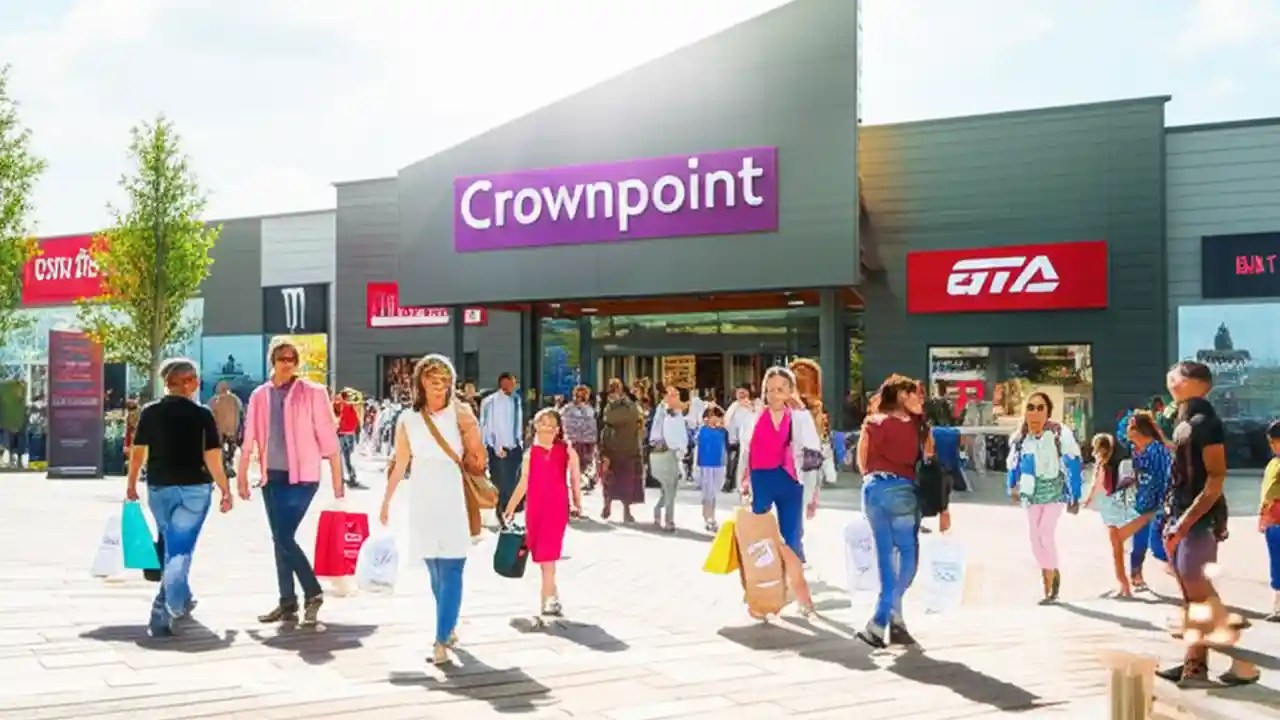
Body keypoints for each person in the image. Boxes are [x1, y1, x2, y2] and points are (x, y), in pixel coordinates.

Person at [379, 354, 486, 665]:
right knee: (435, 570)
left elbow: (478, 458)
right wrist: (386, 500)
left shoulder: (461, 413)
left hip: (453, 494)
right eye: (432, 380)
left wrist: (473, 442)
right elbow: (401, 462)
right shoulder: (408, 419)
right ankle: (448, 625)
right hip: (423, 496)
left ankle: (441, 639)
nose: (439, 386)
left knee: (452, 566)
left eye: (444, 380)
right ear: (420, 383)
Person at [1156, 361, 1257, 687]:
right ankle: (1194, 663)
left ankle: (1238, 665)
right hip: (1182, 514)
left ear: (1195, 383)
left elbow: (1215, 478)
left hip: (1199, 519)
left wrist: (1184, 523)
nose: (1170, 379)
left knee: (1197, 591)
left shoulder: (1206, 423)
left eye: (1176, 375)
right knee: (1192, 594)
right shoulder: (1184, 421)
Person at [236, 338, 344, 628]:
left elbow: (328, 437)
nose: (288, 363)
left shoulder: (313, 393)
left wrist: (338, 482)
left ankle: (313, 591)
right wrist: (242, 475)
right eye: (282, 358)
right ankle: (287, 603)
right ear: (272, 361)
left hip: (303, 477)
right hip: (271, 476)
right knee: (279, 539)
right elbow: (249, 436)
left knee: (284, 537)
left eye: (292, 359)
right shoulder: (260, 395)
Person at [125, 358, 233, 637]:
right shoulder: (202, 415)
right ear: (187, 383)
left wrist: (131, 483)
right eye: (195, 378)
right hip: (194, 489)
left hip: (159, 488)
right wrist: (225, 488)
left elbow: (138, 451)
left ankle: (182, 597)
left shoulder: (150, 412)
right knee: (179, 551)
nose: (198, 383)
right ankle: (165, 609)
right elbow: (212, 457)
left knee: (172, 545)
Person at [854, 374, 936, 647]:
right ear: (902, 395)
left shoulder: (872, 423)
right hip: (902, 493)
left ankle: (893, 622)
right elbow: (930, 459)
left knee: (886, 560)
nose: (920, 399)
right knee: (908, 559)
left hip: (873, 491)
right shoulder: (919, 427)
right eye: (915, 394)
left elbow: (862, 463)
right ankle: (880, 620)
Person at [737, 366, 816, 614]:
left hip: (789, 480)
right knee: (758, 540)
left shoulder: (799, 418)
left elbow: (813, 454)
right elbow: (745, 453)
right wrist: (742, 482)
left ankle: (802, 597)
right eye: (770, 389)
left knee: (791, 540)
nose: (775, 394)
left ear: (791, 391)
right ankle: (757, 593)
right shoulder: (753, 417)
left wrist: (813, 493)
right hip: (761, 480)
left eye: (781, 389)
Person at [503, 408, 582, 616]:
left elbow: (575, 477)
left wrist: (577, 501)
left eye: (551, 424)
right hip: (535, 509)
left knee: (548, 556)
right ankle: (553, 597)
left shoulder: (566, 450)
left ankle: (545, 604)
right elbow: (524, 483)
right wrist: (510, 506)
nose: (547, 427)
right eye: (543, 422)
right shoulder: (530, 454)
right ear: (535, 425)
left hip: (556, 508)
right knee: (542, 557)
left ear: (558, 429)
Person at [1007, 391, 1083, 604]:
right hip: (1031, 493)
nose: (1035, 412)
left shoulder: (1060, 434)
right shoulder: (1021, 437)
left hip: (1054, 492)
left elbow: (1073, 462)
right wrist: (1011, 486)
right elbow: (1013, 463)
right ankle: (1048, 576)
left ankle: (1052, 584)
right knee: (1035, 539)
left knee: (1045, 534)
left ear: (1048, 411)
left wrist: (1075, 494)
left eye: (1040, 408)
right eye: (1031, 407)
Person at [1118, 410, 1172, 592]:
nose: (1127, 430)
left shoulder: (1157, 451)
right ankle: (1136, 575)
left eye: (1130, 426)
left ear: (1140, 430)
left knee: (1157, 545)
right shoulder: (1135, 450)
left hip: (1157, 505)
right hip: (1140, 503)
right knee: (1139, 543)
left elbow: (1164, 479)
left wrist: (1162, 506)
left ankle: (1181, 568)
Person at [1084, 433, 1136, 597]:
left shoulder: (1104, 465)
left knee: (1116, 548)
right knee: (1119, 547)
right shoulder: (1121, 461)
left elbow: (1097, 485)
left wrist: (1088, 500)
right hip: (1125, 506)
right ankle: (1124, 584)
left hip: (1112, 508)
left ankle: (1124, 585)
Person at [598, 378, 645, 523]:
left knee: (627, 482)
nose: (614, 391)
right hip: (610, 448)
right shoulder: (607, 405)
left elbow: (628, 417)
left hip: (628, 448)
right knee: (608, 480)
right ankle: (607, 506)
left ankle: (626, 511)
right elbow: (607, 419)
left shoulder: (630, 405)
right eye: (612, 388)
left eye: (617, 388)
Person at [480, 372, 525, 516]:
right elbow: (487, 426)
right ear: (502, 383)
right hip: (498, 447)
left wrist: (520, 443)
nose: (513, 386)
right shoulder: (491, 402)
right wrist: (494, 445)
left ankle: (512, 510)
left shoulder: (516, 400)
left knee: (514, 480)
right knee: (500, 482)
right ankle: (501, 511)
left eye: (514, 383)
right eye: (510, 382)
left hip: (514, 446)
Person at [649, 385, 690, 532]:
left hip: (674, 452)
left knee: (670, 488)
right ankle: (668, 519)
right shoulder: (664, 410)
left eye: (676, 394)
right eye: (672, 394)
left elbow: (681, 433)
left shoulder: (677, 413)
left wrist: (682, 450)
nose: (675, 397)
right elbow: (661, 432)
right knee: (668, 487)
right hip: (663, 451)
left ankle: (659, 510)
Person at [693, 406, 729, 532]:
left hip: (719, 464)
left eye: (718, 416)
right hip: (705, 465)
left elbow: (728, 420)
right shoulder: (702, 430)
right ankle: (708, 518)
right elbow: (695, 440)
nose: (717, 419)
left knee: (714, 493)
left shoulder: (722, 431)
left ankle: (710, 517)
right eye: (714, 416)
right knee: (708, 494)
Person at [561, 385, 598, 491]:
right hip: (574, 441)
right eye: (578, 395)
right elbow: (564, 422)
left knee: (586, 463)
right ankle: (577, 482)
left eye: (583, 396)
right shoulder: (567, 409)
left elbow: (593, 425)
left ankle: (585, 480)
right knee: (575, 464)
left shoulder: (590, 409)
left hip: (588, 441)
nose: (580, 398)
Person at [722, 384, 758, 492]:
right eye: (739, 393)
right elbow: (726, 420)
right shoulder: (734, 405)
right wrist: (732, 433)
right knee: (734, 459)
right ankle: (730, 482)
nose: (741, 395)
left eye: (743, 392)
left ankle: (746, 483)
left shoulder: (755, 404)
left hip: (750, 438)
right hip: (735, 438)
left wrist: (750, 407)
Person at [1261, 421, 1280, 622]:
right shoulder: (1273, 463)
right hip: (1272, 521)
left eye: (1275, 441)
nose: (1273, 446)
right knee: (1276, 562)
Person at [333, 389, 366, 490]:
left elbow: (341, 419)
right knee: (348, 457)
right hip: (350, 433)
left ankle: (343, 477)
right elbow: (356, 419)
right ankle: (351, 476)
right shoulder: (352, 406)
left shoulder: (342, 406)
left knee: (343, 457)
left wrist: (338, 428)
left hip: (342, 434)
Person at [208, 382, 243, 473]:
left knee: (230, 447)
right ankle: (225, 464)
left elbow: (240, 413)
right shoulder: (214, 400)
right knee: (223, 448)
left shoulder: (234, 399)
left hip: (229, 428)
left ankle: (227, 463)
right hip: (222, 429)